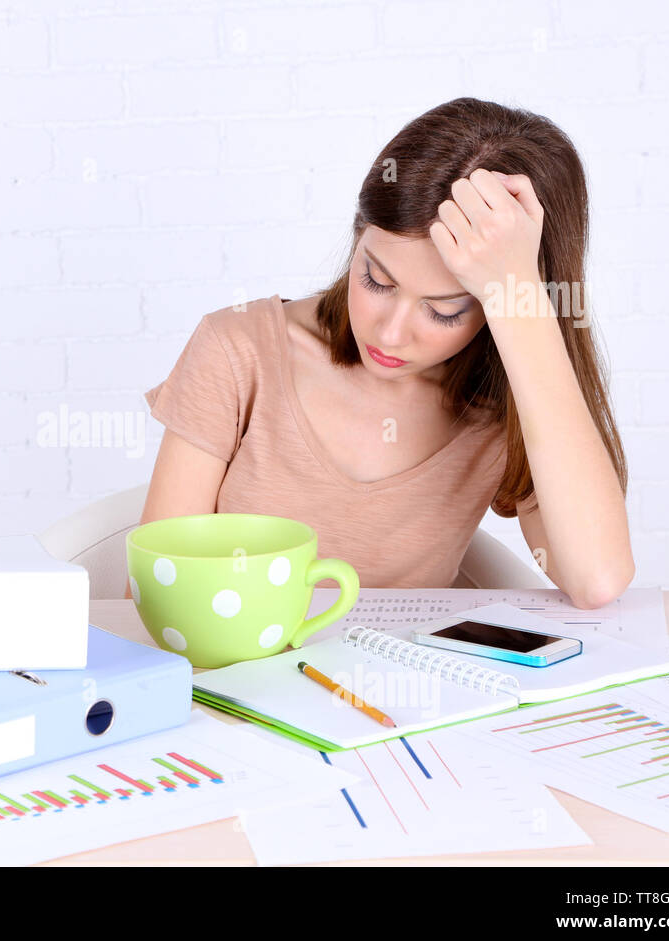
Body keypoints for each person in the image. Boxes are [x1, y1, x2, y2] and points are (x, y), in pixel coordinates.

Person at [130, 97, 632, 610]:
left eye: (442, 311)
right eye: (376, 278)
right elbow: (152, 596)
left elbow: (596, 578)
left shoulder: (504, 405)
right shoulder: (237, 350)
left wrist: (522, 305)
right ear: (357, 238)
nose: (390, 335)